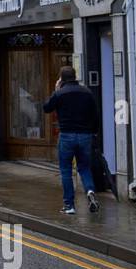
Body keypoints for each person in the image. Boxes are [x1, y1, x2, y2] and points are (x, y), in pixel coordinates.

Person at [43, 66, 99, 215]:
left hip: (67, 135)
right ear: (75, 77)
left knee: (66, 170)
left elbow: (46, 108)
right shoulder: (87, 93)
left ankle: (69, 206)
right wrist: (94, 132)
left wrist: (55, 89)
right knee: (84, 167)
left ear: (61, 78)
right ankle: (90, 190)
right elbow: (95, 114)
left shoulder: (60, 93)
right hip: (85, 135)